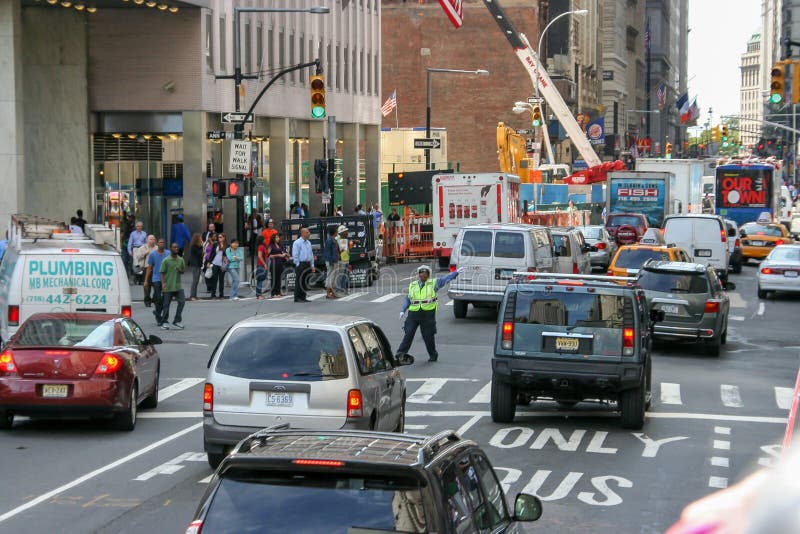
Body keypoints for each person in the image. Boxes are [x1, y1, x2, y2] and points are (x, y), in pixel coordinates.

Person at [397, 265, 462, 362]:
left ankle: (433, 355)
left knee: (428, 336)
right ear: (418, 275)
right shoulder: (413, 285)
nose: (423, 275)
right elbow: (408, 298)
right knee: (408, 333)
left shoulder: (434, 283)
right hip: (413, 314)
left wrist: (456, 273)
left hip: (427, 314)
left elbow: (446, 279)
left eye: (425, 273)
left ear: (428, 275)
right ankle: (400, 353)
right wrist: (403, 310)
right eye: (421, 273)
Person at [159, 242, 186, 330]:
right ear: (171, 248)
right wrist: (163, 283)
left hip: (178, 286)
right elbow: (162, 272)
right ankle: (164, 322)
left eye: (177, 247)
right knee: (166, 305)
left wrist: (180, 270)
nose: (176, 249)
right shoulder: (166, 260)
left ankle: (177, 321)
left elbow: (183, 271)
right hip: (168, 286)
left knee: (182, 301)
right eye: (174, 247)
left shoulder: (181, 260)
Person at [144, 238, 170, 326]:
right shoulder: (153, 254)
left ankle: (159, 315)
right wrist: (146, 280)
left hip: (166, 279)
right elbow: (149, 268)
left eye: (163, 242)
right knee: (158, 297)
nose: (162, 244)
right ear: (157, 244)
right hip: (156, 279)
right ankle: (158, 316)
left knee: (165, 299)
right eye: (160, 242)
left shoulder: (168, 253)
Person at [291, 227, 315, 302]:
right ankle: (297, 297)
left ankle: (303, 297)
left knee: (305, 281)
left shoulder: (309, 243)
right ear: (303, 233)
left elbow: (311, 254)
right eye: (307, 232)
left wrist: (312, 265)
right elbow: (295, 254)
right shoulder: (297, 242)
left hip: (307, 263)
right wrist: (298, 264)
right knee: (299, 281)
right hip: (301, 264)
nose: (309, 233)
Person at [267, 233, 290, 298]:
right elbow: (269, 256)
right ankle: (273, 293)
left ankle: (278, 292)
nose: (278, 238)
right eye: (276, 237)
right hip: (274, 264)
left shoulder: (280, 245)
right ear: (273, 239)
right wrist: (278, 255)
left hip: (280, 263)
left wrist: (286, 255)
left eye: (278, 237)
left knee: (279, 279)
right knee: (274, 279)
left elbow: (284, 252)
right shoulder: (271, 246)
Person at [322, 226, 340, 299]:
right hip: (331, 261)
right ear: (334, 232)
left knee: (334, 277)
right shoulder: (329, 240)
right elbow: (328, 252)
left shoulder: (333, 240)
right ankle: (328, 293)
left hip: (334, 260)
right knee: (330, 276)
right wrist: (331, 262)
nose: (337, 232)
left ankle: (332, 292)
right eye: (336, 231)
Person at [210, 233, 228, 299]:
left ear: (224, 238)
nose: (219, 238)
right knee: (214, 280)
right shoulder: (215, 244)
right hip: (215, 263)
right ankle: (213, 295)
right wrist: (209, 262)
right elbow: (212, 253)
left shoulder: (227, 245)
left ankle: (221, 295)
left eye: (220, 237)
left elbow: (227, 255)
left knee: (221, 280)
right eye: (218, 237)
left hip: (222, 265)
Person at [187, 233, 204, 301]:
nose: (201, 239)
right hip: (195, 264)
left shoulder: (198, 246)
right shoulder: (194, 246)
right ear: (197, 238)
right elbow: (200, 253)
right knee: (195, 280)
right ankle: (192, 296)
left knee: (196, 280)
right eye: (200, 238)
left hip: (198, 264)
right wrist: (202, 246)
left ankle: (195, 295)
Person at [336, 225, 351, 295]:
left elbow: (346, 249)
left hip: (346, 259)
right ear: (341, 232)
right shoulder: (338, 240)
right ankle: (339, 290)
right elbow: (341, 249)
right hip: (341, 260)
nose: (347, 233)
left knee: (345, 276)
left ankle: (343, 289)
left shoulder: (345, 239)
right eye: (346, 231)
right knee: (340, 275)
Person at [255, 235, 268, 300]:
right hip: (261, 265)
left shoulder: (263, 247)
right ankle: (258, 294)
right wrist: (264, 264)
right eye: (264, 239)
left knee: (261, 279)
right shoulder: (261, 247)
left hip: (261, 265)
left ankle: (259, 294)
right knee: (260, 279)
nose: (265, 240)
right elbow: (260, 256)